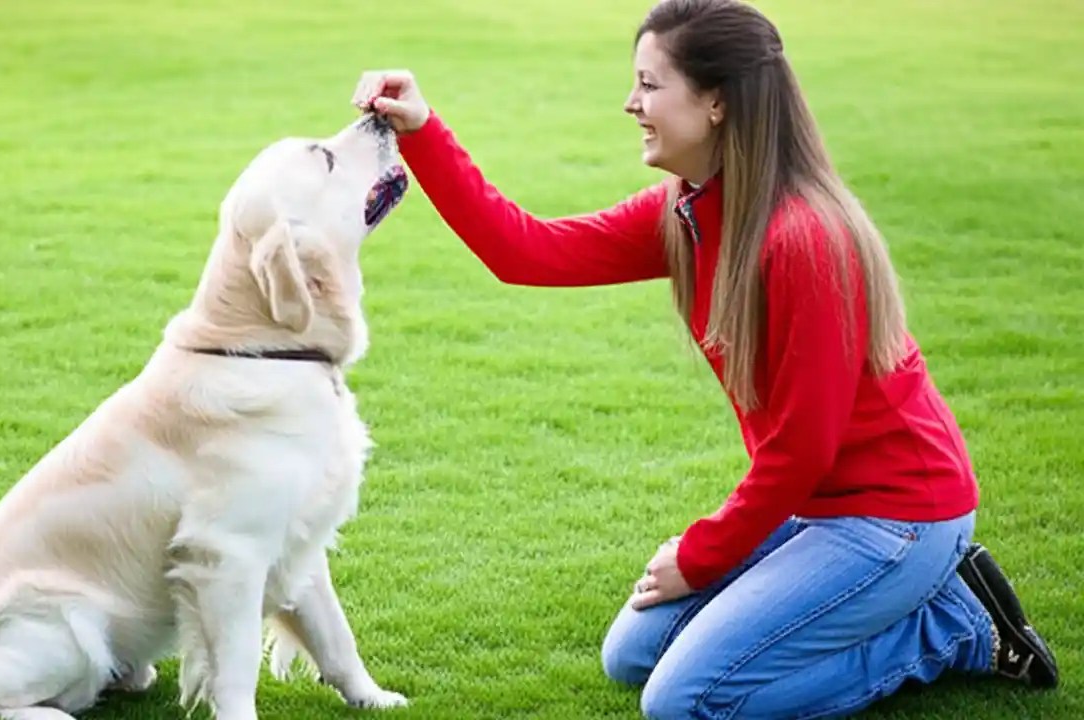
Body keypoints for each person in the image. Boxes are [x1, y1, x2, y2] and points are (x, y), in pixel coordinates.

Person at [349, 0, 1058, 717]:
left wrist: (702, 556)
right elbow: (525, 252)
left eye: (649, 84)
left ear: (716, 101)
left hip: (898, 517)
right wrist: (423, 130)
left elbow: (802, 448)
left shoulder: (807, 240)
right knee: (631, 655)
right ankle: (912, 612)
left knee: (681, 701)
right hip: (817, 509)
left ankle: (950, 628)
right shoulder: (688, 211)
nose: (631, 104)